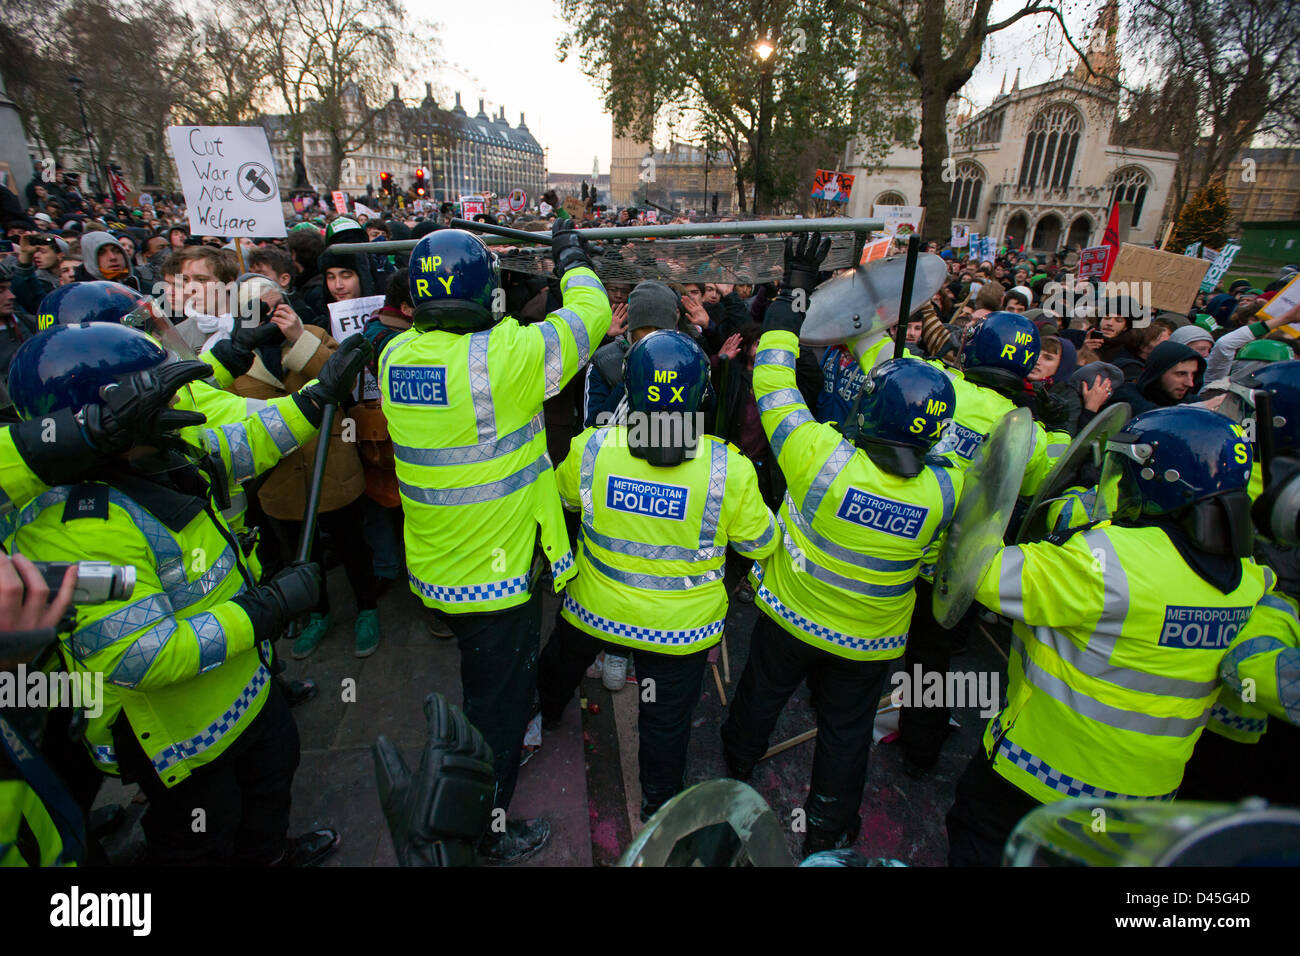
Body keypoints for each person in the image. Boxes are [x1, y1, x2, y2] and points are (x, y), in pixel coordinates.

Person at [3, 322, 367, 865]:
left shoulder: (158, 450)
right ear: (103, 415)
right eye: (160, 391)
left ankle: (270, 855)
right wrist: (267, 608)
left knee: (272, 775)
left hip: (244, 685)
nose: (179, 400)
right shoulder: (77, 525)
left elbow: (244, 443)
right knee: (203, 835)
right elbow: (141, 655)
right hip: (181, 737)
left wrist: (316, 399)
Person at [945, 406, 1274, 866]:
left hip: (1041, 775)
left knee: (979, 845)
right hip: (1145, 798)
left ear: (1161, 479)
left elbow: (979, 572)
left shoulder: (1108, 562)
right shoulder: (1252, 582)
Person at [721, 233, 963, 855]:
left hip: (792, 616)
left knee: (759, 699)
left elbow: (774, 385)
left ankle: (736, 766)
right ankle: (828, 832)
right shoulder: (945, 489)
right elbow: (915, 409)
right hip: (870, 639)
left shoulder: (818, 456)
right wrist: (868, 328)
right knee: (845, 735)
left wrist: (788, 307)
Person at [378, 222, 611, 863]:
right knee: (498, 712)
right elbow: (590, 313)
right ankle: (484, 829)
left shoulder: (395, 357)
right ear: (491, 295)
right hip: (497, 579)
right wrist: (572, 257)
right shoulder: (509, 357)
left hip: (434, 567)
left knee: (480, 683)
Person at [539, 330, 778, 819]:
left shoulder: (592, 448)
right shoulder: (727, 468)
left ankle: (539, 717)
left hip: (594, 609)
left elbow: (564, 500)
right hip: (681, 631)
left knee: (560, 665)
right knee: (665, 723)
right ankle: (657, 809)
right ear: (702, 394)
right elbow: (760, 544)